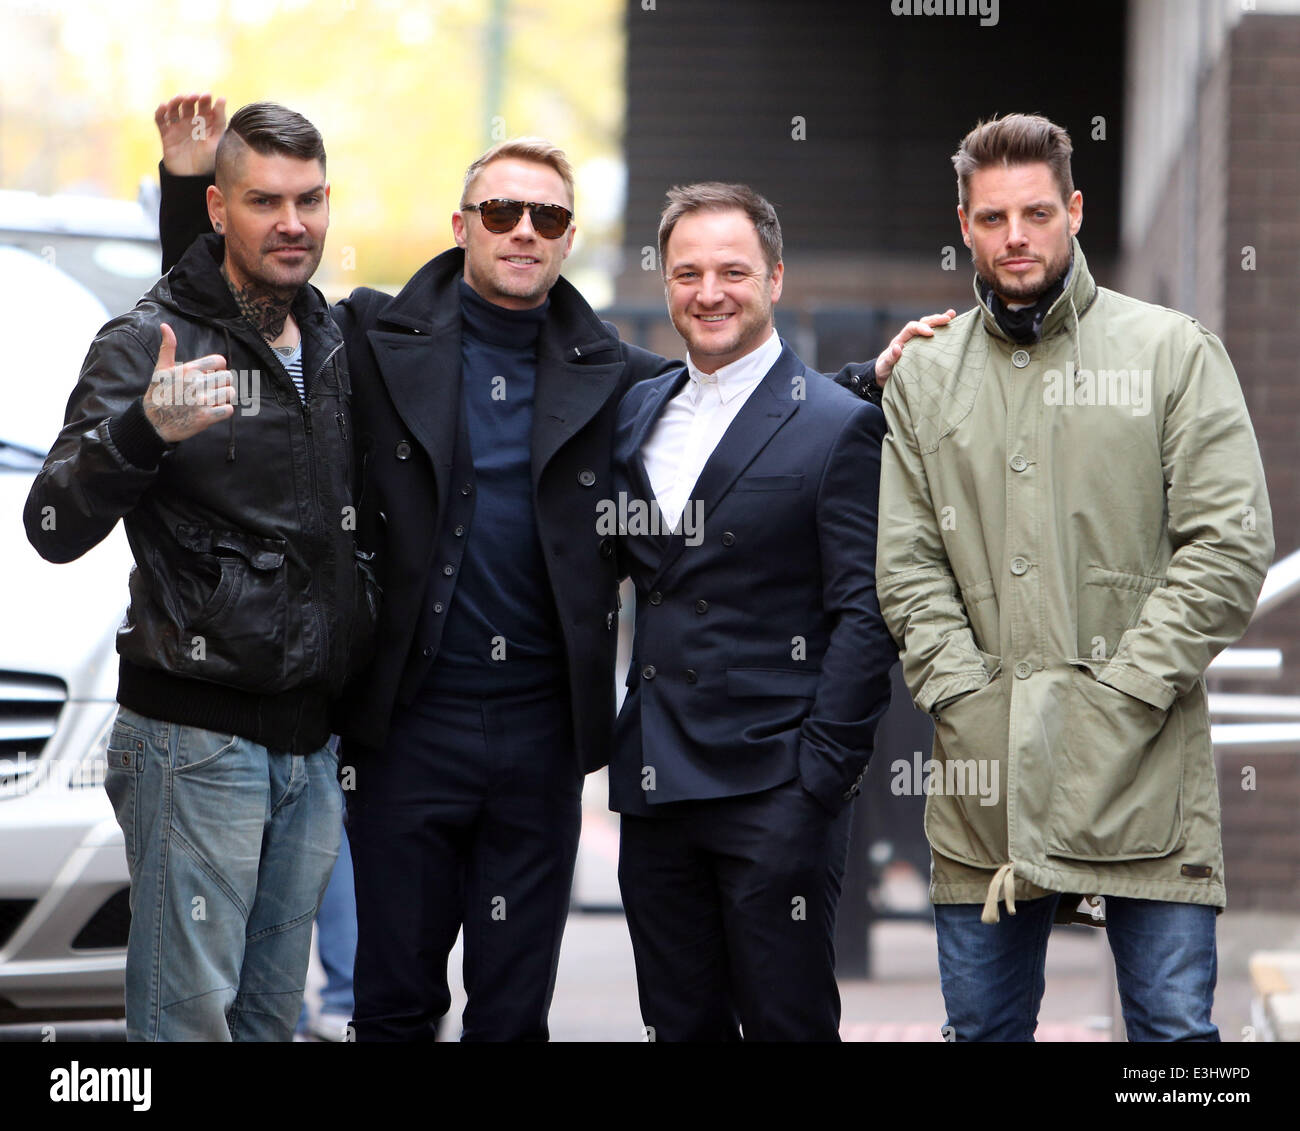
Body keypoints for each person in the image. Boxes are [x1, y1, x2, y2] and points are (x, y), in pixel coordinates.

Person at [154, 93, 938, 1042]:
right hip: (406, 728)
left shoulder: (613, 373)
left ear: (568, 238)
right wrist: (186, 192)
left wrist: (859, 385)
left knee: (514, 1011)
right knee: (392, 1004)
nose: (523, 229)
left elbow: (742, 400)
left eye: (547, 215)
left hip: (541, 739)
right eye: (501, 211)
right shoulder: (370, 336)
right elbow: (232, 307)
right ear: (462, 227)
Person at [875, 113, 1274, 1041]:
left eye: (1037, 213)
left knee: (1174, 1040)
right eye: (992, 217)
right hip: (985, 782)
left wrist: (1127, 690)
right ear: (965, 224)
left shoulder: (1171, 351)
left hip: (1144, 766)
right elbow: (906, 563)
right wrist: (961, 690)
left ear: (1076, 211)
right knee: (983, 1031)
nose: (1015, 235)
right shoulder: (926, 376)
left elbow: (1227, 544)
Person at [24, 101, 370, 1041]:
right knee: (187, 1028)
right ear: (218, 208)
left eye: (309, 200)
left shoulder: (334, 341)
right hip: (195, 742)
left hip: (310, 749)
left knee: (266, 1024)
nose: (292, 222)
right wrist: (143, 429)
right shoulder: (147, 344)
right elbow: (50, 521)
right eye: (264, 201)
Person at [608, 182, 896, 1041]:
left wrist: (817, 781)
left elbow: (867, 616)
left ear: (774, 277)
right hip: (657, 790)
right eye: (687, 272)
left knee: (787, 1026)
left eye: (732, 271)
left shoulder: (840, 425)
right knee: (676, 1027)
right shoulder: (637, 411)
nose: (709, 292)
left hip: (774, 788)